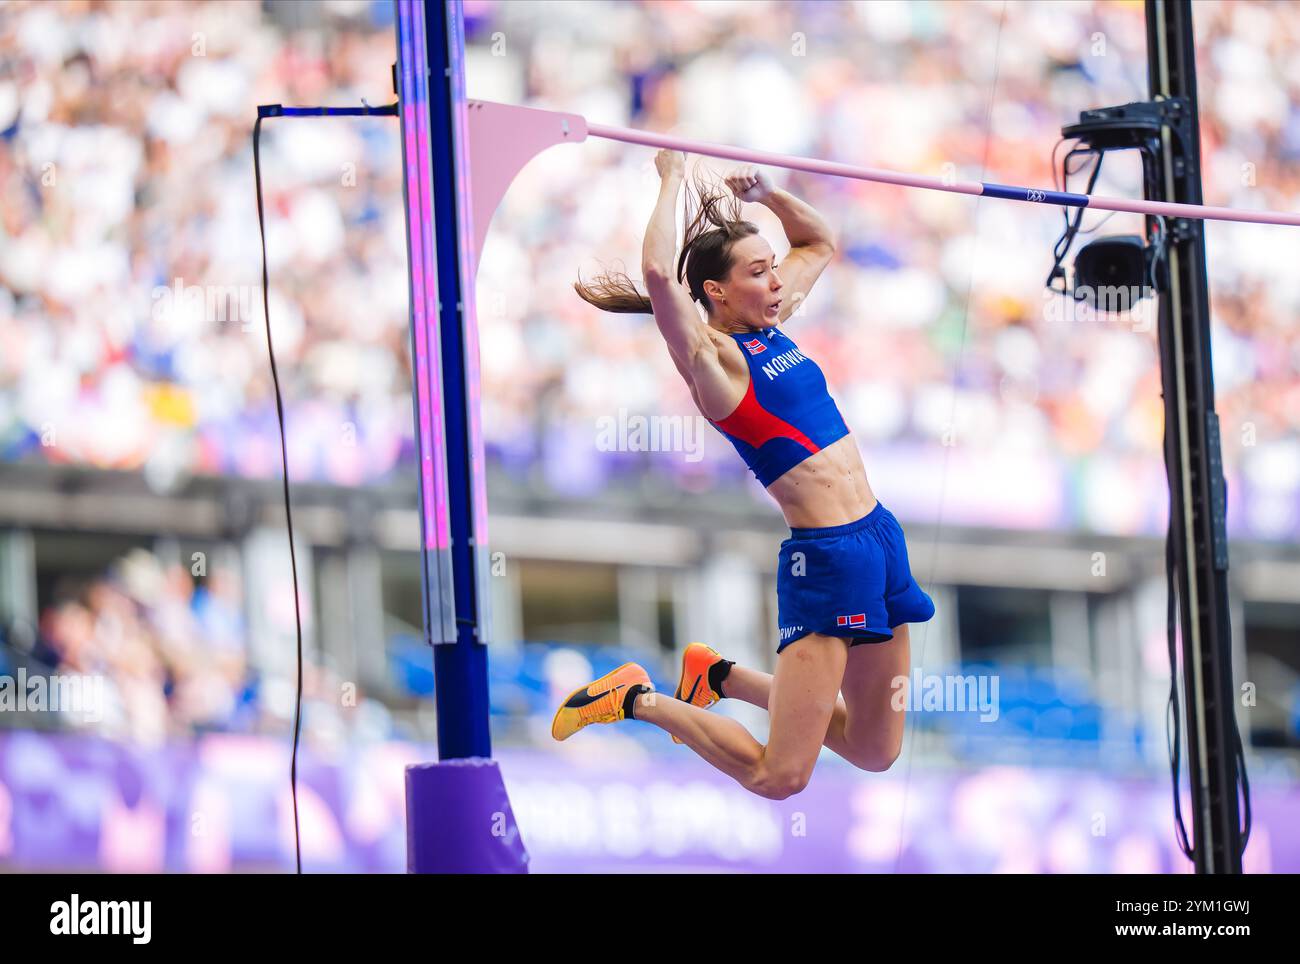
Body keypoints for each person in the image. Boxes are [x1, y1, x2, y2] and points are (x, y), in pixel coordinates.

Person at [552, 151, 935, 800]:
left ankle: (718, 675)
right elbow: (657, 273)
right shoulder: (715, 362)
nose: (776, 281)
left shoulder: (770, 321)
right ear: (716, 292)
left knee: (875, 750)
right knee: (778, 775)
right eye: (759, 272)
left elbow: (820, 241)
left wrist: (769, 195)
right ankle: (635, 698)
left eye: (771, 267)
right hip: (828, 562)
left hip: (879, 535)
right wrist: (671, 178)